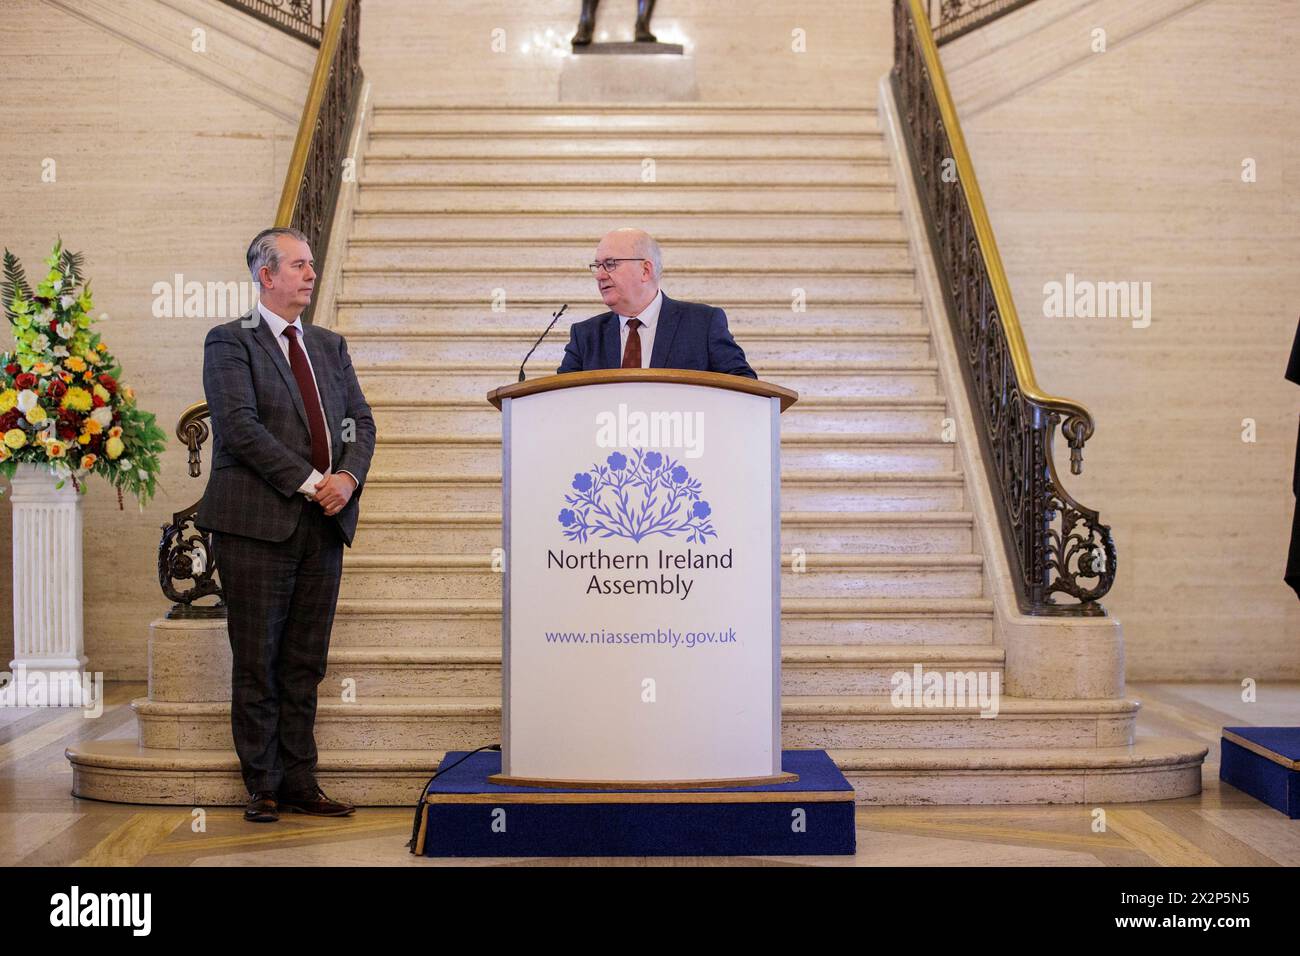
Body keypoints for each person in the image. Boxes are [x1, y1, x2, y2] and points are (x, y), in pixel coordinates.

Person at [196, 226, 376, 823]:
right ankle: (263, 785)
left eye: (310, 265)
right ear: (265, 275)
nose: (310, 273)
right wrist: (309, 480)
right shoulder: (230, 342)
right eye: (298, 265)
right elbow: (241, 428)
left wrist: (345, 481)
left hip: (324, 524)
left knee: (305, 661)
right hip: (255, 524)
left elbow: (359, 425)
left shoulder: (330, 345)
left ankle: (301, 780)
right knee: (258, 658)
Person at [557, 227, 756, 378]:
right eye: (597, 266)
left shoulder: (703, 324)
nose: (599, 275)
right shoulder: (585, 336)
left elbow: (745, 388)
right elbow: (559, 401)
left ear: (645, 270)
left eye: (610, 264)